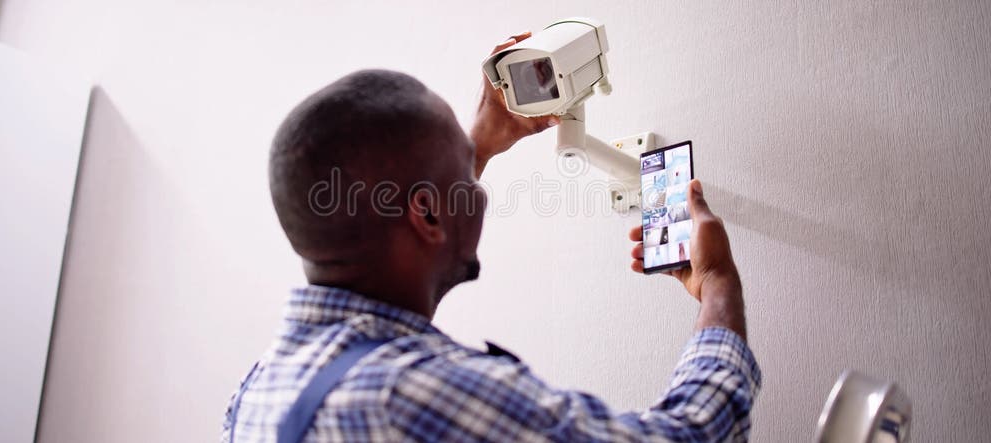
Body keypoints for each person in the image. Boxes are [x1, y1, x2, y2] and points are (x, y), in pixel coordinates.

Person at [221, 32, 760, 442]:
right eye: (465, 172)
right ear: (427, 217)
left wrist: (470, 149)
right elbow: (686, 436)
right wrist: (718, 287)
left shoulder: (261, 392)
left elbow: (415, 209)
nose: (475, 190)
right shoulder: (413, 394)